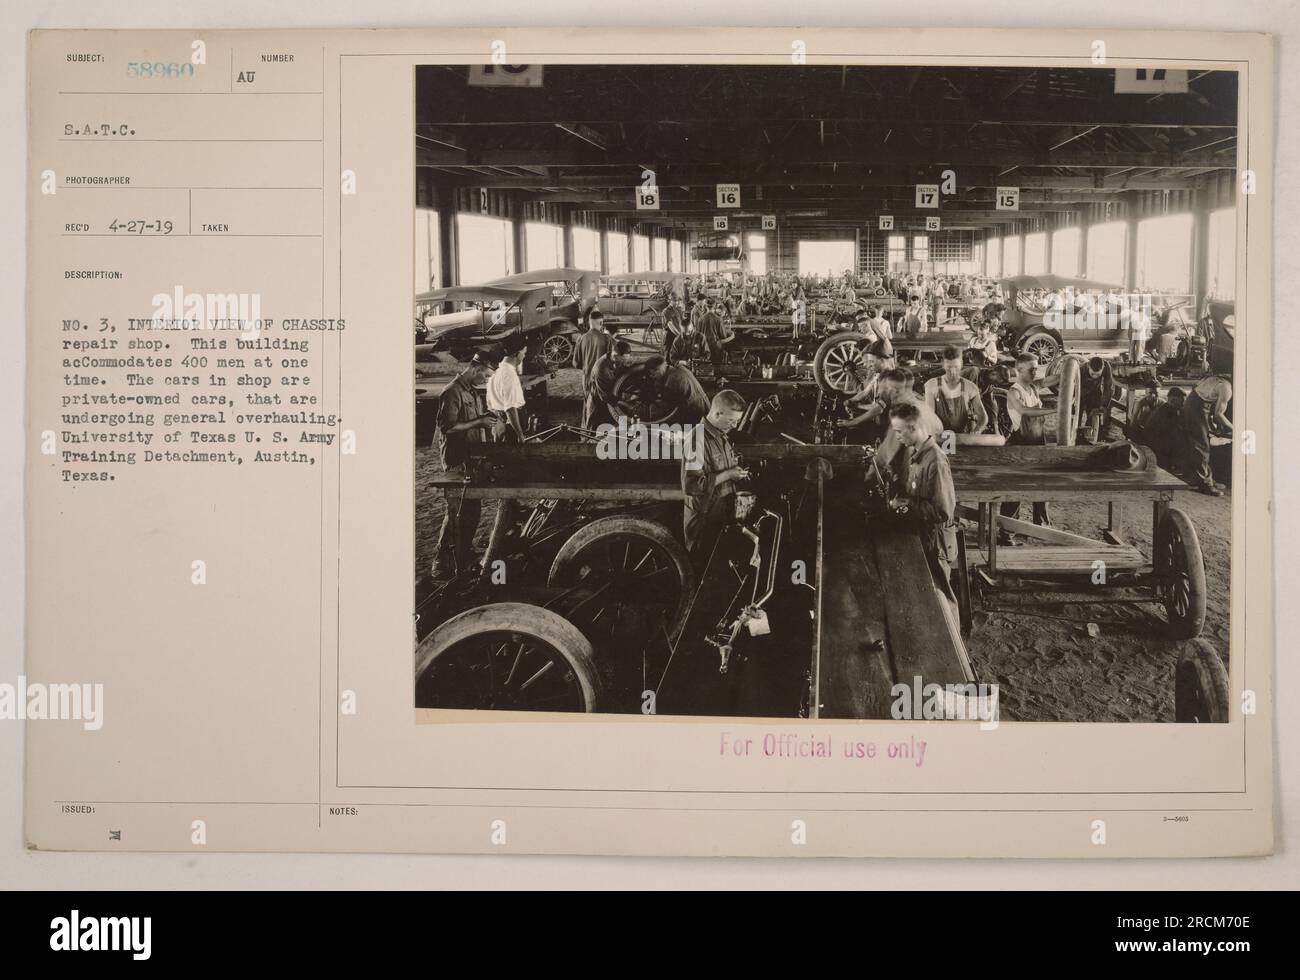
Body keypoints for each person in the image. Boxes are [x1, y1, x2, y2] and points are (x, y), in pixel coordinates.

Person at [431, 352, 498, 577]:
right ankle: (441, 561)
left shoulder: (471, 391)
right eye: (485, 376)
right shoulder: (452, 392)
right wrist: (479, 421)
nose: (486, 380)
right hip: (457, 460)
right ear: (475, 369)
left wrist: (486, 418)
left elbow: (471, 421)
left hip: (471, 458)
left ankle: (463, 553)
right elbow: (447, 428)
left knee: (472, 509)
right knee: (456, 510)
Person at [886, 401, 958, 587]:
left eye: (899, 431)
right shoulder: (916, 453)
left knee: (939, 595)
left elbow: (942, 511)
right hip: (924, 536)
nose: (897, 436)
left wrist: (908, 503)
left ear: (913, 428)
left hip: (936, 544)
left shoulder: (936, 461)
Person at [682, 389, 750, 555]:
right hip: (704, 520)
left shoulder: (721, 435)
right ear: (718, 413)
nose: (734, 426)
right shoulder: (696, 439)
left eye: (737, 421)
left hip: (721, 515)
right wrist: (728, 475)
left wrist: (736, 473)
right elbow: (692, 485)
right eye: (731, 421)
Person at [1000, 352, 1055, 532]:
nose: (1035, 372)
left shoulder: (1034, 387)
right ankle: (1008, 532)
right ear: (1019, 369)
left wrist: (1074, 366)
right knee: (1015, 490)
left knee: (1041, 486)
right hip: (1020, 446)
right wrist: (1054, 410)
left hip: (1038, 443)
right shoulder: (1014, 392)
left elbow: (1054, 379)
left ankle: (1042, 528)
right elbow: (1023, 410)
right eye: (1031, 369)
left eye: (1036, 369)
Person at [1182, 374, 1232, 495]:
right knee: (1202, 445)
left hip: (1195, 403)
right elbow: (1218, 414)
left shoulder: (1218, 379)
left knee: (1202, 443)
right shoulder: (1226, 388)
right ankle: (1204, 484)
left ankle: (1206, 478)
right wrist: (1235, 428)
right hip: (1196, 407)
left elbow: (1211, 408)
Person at [924, 346, 988, 434]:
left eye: (956, 367)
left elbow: (983, 416)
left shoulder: (970, 387)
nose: (952, 372)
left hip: (963, 436)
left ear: (961, 364)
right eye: (949, 367)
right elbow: (930, 416)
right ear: (943, 364)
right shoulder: (931, 385)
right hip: (939, 436)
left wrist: (978, 429)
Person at [644, 354, 711, 425]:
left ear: (658, 369)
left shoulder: (672, 381)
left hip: (698, 417)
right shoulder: (678, 368)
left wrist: (647, 410)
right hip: (704, 408)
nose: (652, 377)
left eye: (653, 374)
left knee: (662, 425)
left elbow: (665, 409)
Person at [486, 332, 528, 442]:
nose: (524, 356)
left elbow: (489, 403)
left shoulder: (496, 370)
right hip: (511, 429)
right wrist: (520, 435)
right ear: (517, 353)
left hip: (500, 423)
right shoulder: (509, 374)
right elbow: (510, 409)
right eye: (524, 352)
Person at [585, 338, 634, 430]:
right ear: (615, 355)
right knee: (595, 430)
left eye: (626, 359)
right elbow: (605, 396)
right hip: (599, 402)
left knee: (615, 430)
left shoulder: (617, 360)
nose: (624, 361)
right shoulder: (601, 368)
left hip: (612, 399)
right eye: (623, 359)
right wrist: (626, 405)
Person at [1139, 386, 1186, 473]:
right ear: (1173, 399)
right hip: (1156, 446)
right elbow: (1171, 432)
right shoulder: (1165, 412)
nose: (1183, 404)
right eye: (1181, 401)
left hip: (1159, 442)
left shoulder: (1169, 408)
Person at [1078, 356, 1115, 444]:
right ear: (1088, 366)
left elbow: (1108, 387)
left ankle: (1091, 438)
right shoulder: (1081, 368)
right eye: (1092, 374)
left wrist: (1103, 405)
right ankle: (1077, 436)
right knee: (1077, 416)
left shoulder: (1107, 367)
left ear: (1103, 368)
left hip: (1095, 391)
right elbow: (1072, 387)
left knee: (1094, 414)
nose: (1095, 376)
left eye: (1098, 375)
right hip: (1080, 392)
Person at [697, 298, 733, 367]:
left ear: (706, 306)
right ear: (714, 306)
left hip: (704, 347)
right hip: (715, 348)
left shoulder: (700, 319)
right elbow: (723, 336)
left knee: (705, 367)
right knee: (717, 366)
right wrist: (730, 334)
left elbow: (698, 335)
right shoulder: (718, 319)